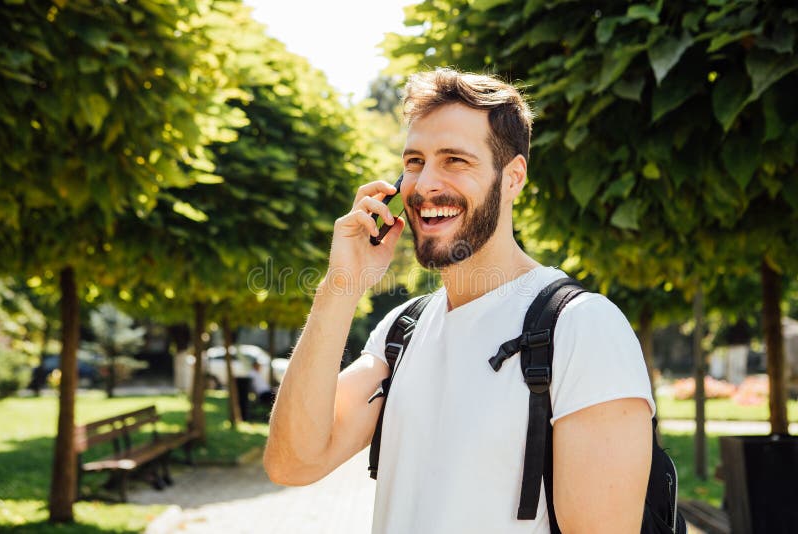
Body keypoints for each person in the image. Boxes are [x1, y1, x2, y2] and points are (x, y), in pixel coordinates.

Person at [264, 68, 655, 533]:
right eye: (414, 161)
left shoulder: (583, 329)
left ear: (512, 178)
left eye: (454, 160)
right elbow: (292, 462)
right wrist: (340, 286)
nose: (425, 184)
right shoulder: (401, 331)